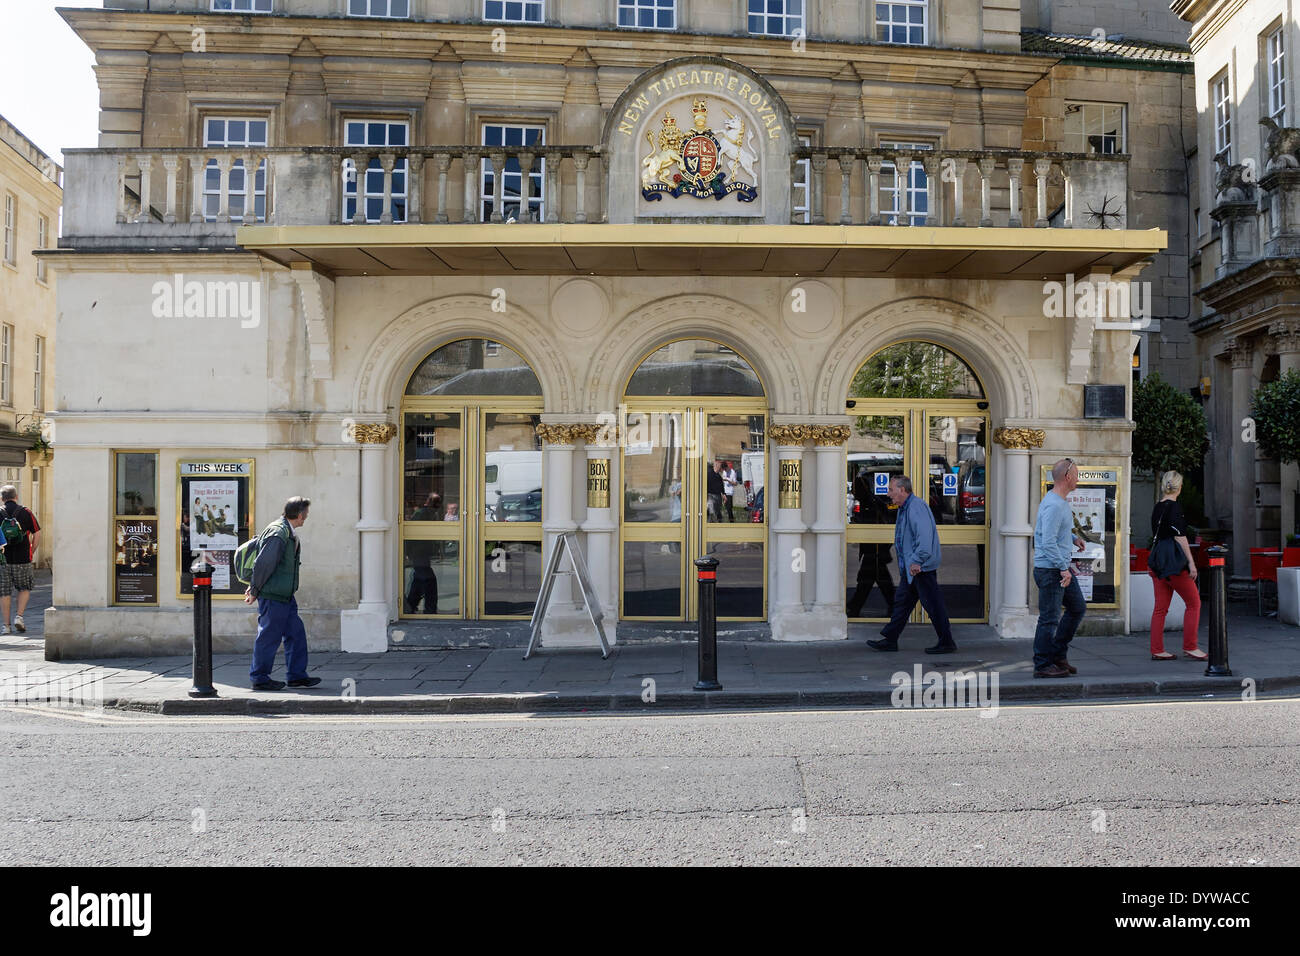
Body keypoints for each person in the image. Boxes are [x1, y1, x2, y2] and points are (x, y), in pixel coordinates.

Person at [867, 475, 956, 654]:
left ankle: (947, 642)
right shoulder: (905, 508)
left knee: (933, 606)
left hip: (920, 568)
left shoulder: (916, 507)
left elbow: (924, 538)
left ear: (902, 490)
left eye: (891, 490)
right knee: (902, 604)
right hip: (911, 568)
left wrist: (917, 561)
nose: (888, 493)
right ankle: (890, 640)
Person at [246, 496, 320, 690]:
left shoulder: (287, 530)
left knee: (296, 634)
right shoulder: (279, 533)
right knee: (269, 637)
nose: (307, 516)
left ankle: (297, 676)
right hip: (273, 596)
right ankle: (259, 678)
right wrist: (255, 589)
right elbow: (264, 563)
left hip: (285, 595)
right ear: (300, 514)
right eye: (306, 513)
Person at [1032, 458, 1088, 678]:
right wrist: (1064, 568)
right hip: (1052, 570)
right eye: (1077, 475)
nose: (1078, 479)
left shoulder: (1058, 501)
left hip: (1057, 568)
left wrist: (1073, 538)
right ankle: (1042, 664)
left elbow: (1055, 532)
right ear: (1067, 477)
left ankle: (1057, 655)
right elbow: (1047, 542)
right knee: (1049, 618)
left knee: (1077, 607)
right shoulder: (1055, 505)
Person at [1149, 470, 1205, 661]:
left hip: (1158, 562)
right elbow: (1180, 537)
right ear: (1179, 487)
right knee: (1194, 603)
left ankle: (1157, 649)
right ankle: (1191, 646)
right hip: (1173, 563)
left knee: (1160, 608)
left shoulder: (1157, 507)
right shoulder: (1175, 508)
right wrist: (1191, 563)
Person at [847, 472, 896, 618]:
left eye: (855, 489)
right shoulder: (869, 501)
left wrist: (857, 524)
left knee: (867, 580)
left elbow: (873, 525)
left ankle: (855, 607)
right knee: (876, 580)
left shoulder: (870, 503)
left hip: (875, 550)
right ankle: (855, 606)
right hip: (874, 549)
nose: (853, 492)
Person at [0, 485, 40, 636]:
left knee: (4, 592)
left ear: (2, 498)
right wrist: (31, 551)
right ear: (16, 497)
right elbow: (37, 534)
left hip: (3, 559)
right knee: (24, 588)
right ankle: (19, 616)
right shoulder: (25, 512)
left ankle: (6, 626)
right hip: (23, 558)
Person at [406, 494, 441, 614]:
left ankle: (410, 605)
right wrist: (408, 551)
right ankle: (428, 608)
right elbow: (413, 531)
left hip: (421, 551)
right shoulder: (422, 513)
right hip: (418, 551)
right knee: (428, 579)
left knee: (420, 578)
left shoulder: (429, 513)